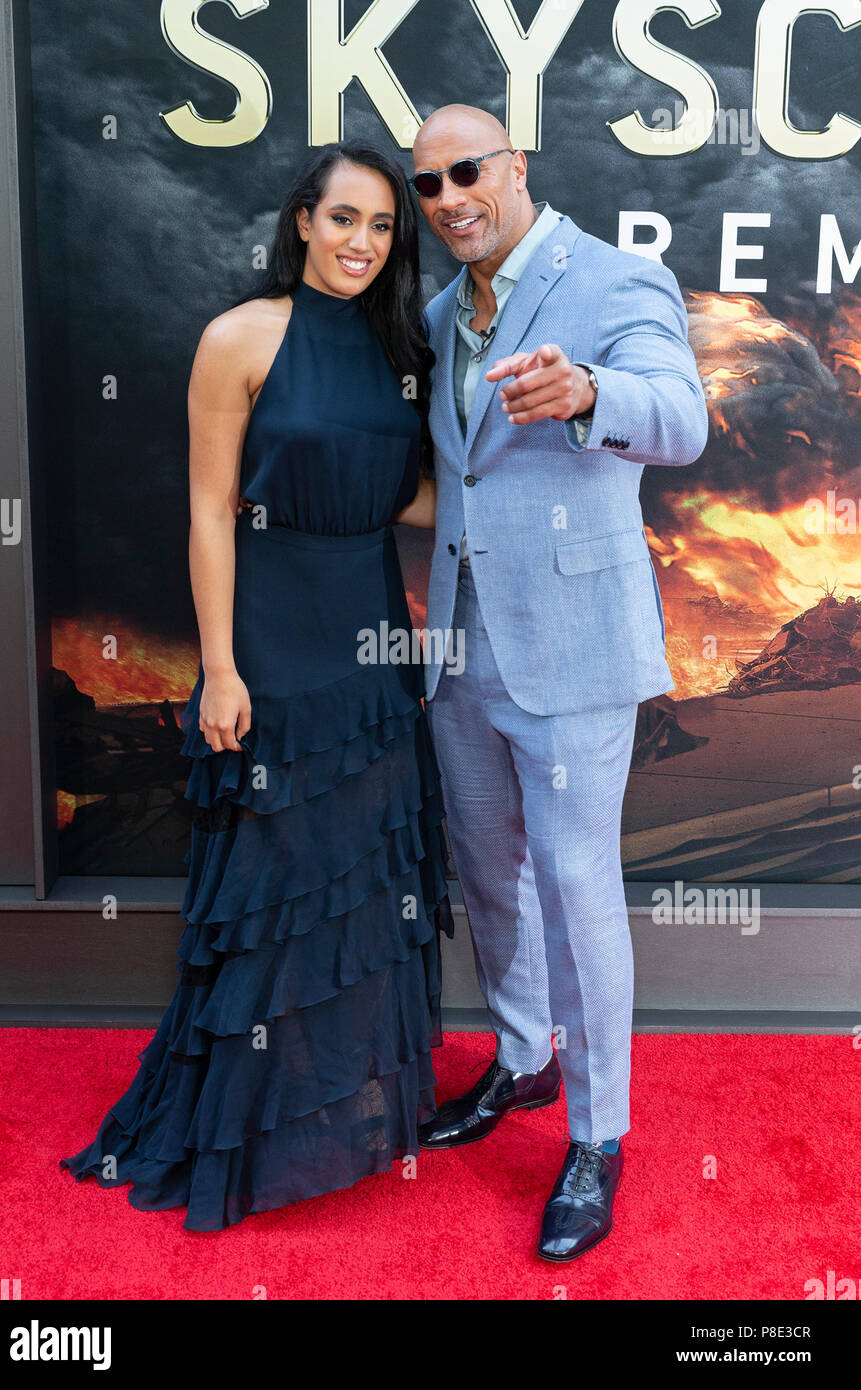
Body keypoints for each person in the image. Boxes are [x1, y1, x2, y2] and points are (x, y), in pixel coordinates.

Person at [60, 141, 452, 1231]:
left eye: (382, 226)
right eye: (343, 218)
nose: (362, 243)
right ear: (302, 222)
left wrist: (538, 471)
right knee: (275, 878)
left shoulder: (400, 347)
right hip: (271, 637)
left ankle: (329, 1106)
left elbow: (408, 498)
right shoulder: (238, 337)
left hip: (370, 633)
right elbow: (208, 511)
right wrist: (221, 667)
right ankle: (247, 1122)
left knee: (358, 875)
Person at [410, 105, 709, 1261]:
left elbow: (681, 419)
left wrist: (588, 391)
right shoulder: (440, 314)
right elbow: (460, 477)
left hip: (575, 644)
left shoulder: (615, 276)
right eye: (428, 184)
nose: (449, 198)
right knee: (488, 870)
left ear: (515, 165)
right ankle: (523, 1057)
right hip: (462, 645)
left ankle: (597, 1136)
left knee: (577, 888)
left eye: (466, 171)